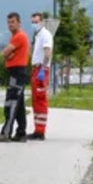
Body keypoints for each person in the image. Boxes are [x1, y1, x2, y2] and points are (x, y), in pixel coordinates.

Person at [0, 12, 30, 143]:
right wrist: (9, 55)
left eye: (13, 22)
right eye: (8, 22)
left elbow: (4, 52)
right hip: (17, 71)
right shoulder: (16, 37)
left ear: (19, 23)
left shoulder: (18, 36)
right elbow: (8, 54)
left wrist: (8, 54)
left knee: (11, 103)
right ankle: (21, 132)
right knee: (19, 104)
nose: (10, 25)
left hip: (17, 72)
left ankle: (5, 133)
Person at [29, 11, 54, 140]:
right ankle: (37, 128)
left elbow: (47, 52)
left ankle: (40, 131)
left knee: (40, 99)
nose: (34, 24)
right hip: (36, 69)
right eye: (32, 22)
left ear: (42, 22)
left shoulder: (45, 35)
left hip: (41, 69)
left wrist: (43, 69)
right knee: (35, 100)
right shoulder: (38, 35)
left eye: (36, 22)